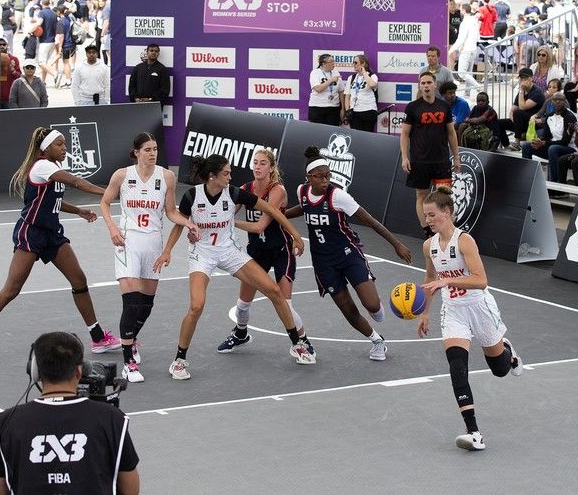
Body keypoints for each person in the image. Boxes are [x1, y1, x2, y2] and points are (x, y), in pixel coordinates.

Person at [0, 127, 121, 364]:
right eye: (59, 144)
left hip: (51, 234)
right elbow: (75, 181)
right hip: (31, 233)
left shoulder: (52, 168)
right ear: (46, 148)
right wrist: (110, 193)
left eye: (65, 144)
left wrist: (79, 211)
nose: (64, 148)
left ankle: (98, 338)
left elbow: (53, 201)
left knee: (79, 280)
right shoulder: (43, 166)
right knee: (12, 289)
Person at [158, 153, 314, 380]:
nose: (230, 177)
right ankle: (179, 361)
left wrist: (296, 235)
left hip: (230, 252)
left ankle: (297, 344)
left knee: (274, 291)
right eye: (226, 173)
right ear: (213, 176)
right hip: (203, 254)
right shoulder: (192, 196)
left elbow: (271, 210)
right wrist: (167, 251)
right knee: (196, 306)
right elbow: (179, 225)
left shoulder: (233, 193)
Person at [417, 186, 523, 451]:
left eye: (432, 215)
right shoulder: (429, 246)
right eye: (426, 215)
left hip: (479, 307)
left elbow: (481, 280)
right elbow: (430, 278)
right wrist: (425, 312)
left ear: (447, 212)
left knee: (499, 369)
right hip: (453, 310)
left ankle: (508, 354)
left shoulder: (464, 241)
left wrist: (446, 281)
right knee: (457, 366)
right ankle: (473, 431)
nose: (427, 220)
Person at [281, 147, 413, 361]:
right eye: (320, 176)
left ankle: (375, 307)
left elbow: (371, 221)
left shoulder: (338, 196)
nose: (325, 180)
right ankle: (377, 341)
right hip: (323, 261)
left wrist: (396, 244)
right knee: (347, 308)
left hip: (347, 253)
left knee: (371, 305)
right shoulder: (301, 191)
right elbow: (304, 207)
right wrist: (280, 217)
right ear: (309, 177)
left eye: (328, 175)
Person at [98, 133, 197, 384]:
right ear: (136, 152)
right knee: (131, 302)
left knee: (146, 304)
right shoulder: (122, 175)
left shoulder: (167, 177)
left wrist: (187, 222)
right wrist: (112, 228)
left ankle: (130, 340)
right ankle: (128, 363)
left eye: (155, 149)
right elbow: (105, 202)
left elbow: (171, 211)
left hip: (153, 243)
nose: (153, 154)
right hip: (128, 242)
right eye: (147, 150)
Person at [0, 332, 140, 494]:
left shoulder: (6, 422)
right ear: (79, 371)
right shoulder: (112, 418)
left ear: (35, 371)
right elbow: (130, 488)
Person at [215, 149, 314, 357]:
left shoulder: (277, 190)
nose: (257, 167)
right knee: (242, 305)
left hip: (280, 251)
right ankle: (241, 333)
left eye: (262, 163)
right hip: (257, 251)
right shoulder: (245, 188)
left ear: (271, 168)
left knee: (286, 304)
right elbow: (226, 211)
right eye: (255, 162)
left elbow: (260, 226)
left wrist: (229, 223)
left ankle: (303, 341)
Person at [400, 71, 461, 236]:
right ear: (420, 86)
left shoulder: (444, 106)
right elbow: (404, 133)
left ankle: (446, 230)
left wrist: (456, 157)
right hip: (419, 160)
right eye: (423, 83)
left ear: (435, 85)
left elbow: (451, 133)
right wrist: (405, 157)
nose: (426, 86)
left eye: (429, 83)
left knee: (444, 197)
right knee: (422, 195)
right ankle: (428, 231)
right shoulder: (412, 107)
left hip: (441, 160)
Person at [522, 92, 577, 182]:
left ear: (565, 101)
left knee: (553, 149)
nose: (557, 102)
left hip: (569, 149)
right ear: (551, 101)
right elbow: (545, 137)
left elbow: (565, 142)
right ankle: (529, 178)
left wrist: (545, 143)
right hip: (553, 148)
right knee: (526, 146)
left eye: (560, 100)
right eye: (555, 100)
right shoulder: (549, 116)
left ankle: (554, 181)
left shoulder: (569, 117)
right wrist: (539, 142)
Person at [505, 67, 545, 151]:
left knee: (518, 113)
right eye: (521, 78)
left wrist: (521, 90)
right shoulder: (521, 93)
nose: (523, 80)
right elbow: (512, 111)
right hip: (520, 122)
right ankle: (505, 144)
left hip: (534, 122)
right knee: (500, 122)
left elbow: (522, 107)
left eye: (525, 78)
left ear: (531, 78)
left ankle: (517, 142)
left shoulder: (537, 92)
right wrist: (515, 122)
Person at [343, 54, 379, 132]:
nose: (354, 64)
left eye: (356, 62)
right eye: (353, 62)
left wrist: (364, 73)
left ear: (363, 64)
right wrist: (347, 110)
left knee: (367, 136)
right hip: (354, 111)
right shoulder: (351, 78)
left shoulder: (372, 76)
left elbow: (372, 85)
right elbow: (347, 96)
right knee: (356, 136)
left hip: (369, 110)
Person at [308, 53, 344, 125]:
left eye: (333, 61)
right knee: (318, 131)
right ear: (323, 64)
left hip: (334, 108)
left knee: (332, 131)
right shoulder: (315, 73)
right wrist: (330, 80)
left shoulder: (336, 72)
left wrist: (343, 108)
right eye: (331, 62)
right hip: (317, 107)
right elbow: (318, 89)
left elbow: (341, 91)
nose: (333, 63)